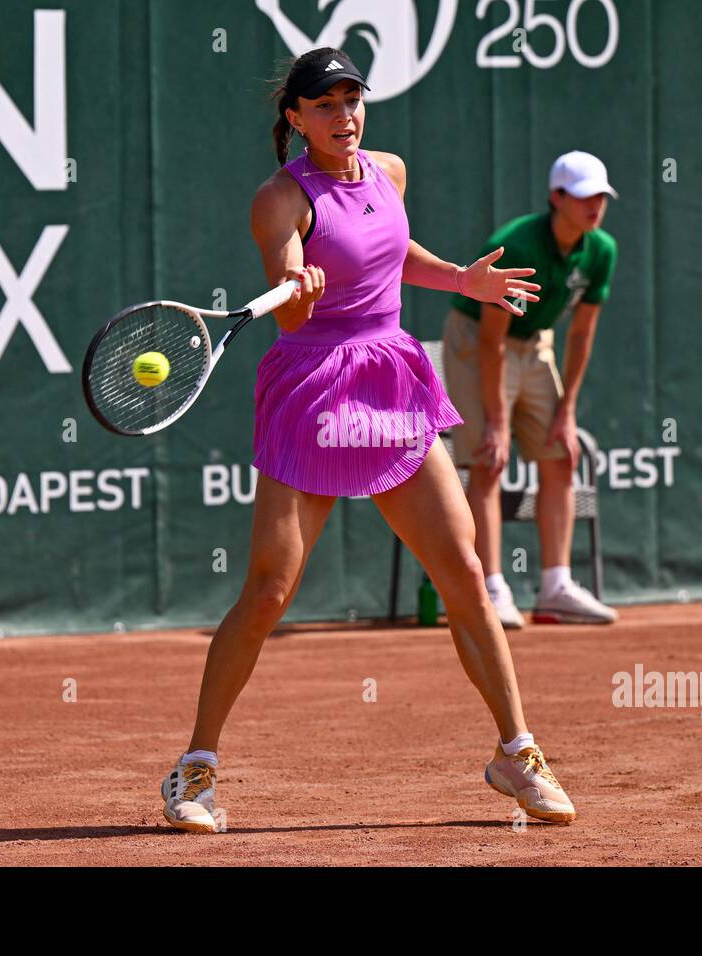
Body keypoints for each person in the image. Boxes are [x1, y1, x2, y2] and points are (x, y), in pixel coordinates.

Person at [159, 47, 576, 832]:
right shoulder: (279, 198)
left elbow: (392, 254)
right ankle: (195, 770)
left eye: (353, 100)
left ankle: (516, 755)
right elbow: (287, 297)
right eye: (324, 106)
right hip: (313, 387)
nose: (344, 116)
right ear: (296, 118)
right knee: (269, 590)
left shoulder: (389, 168)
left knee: (464, 569)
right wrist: (299, 289)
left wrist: (461, 279)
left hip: (389, 377)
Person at [442, 151, 620, 629]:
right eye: (584, 197)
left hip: (535, 343)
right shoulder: (516, 246)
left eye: (600, 197)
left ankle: (555, 587)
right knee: (489, 457)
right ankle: (492, 589)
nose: (594, 207)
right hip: (478, 342)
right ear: (556, 197)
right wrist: (498, 422)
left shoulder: (601, 250)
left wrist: (567, 410)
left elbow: (581, 334)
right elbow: (491, 341)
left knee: (562, 453)